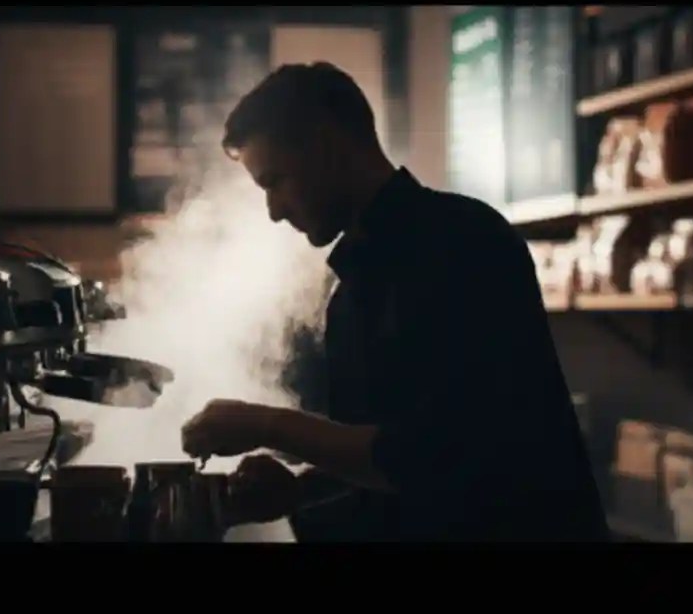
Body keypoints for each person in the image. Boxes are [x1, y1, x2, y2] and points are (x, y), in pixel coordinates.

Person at [181, 61, 609, 542]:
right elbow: (390, 463)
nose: (275, 212)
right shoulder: (349, 294)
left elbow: (439, 455)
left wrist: (266, 424)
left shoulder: (463, 242)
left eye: (275, 182)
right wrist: (301, 492)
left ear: (327, 144)